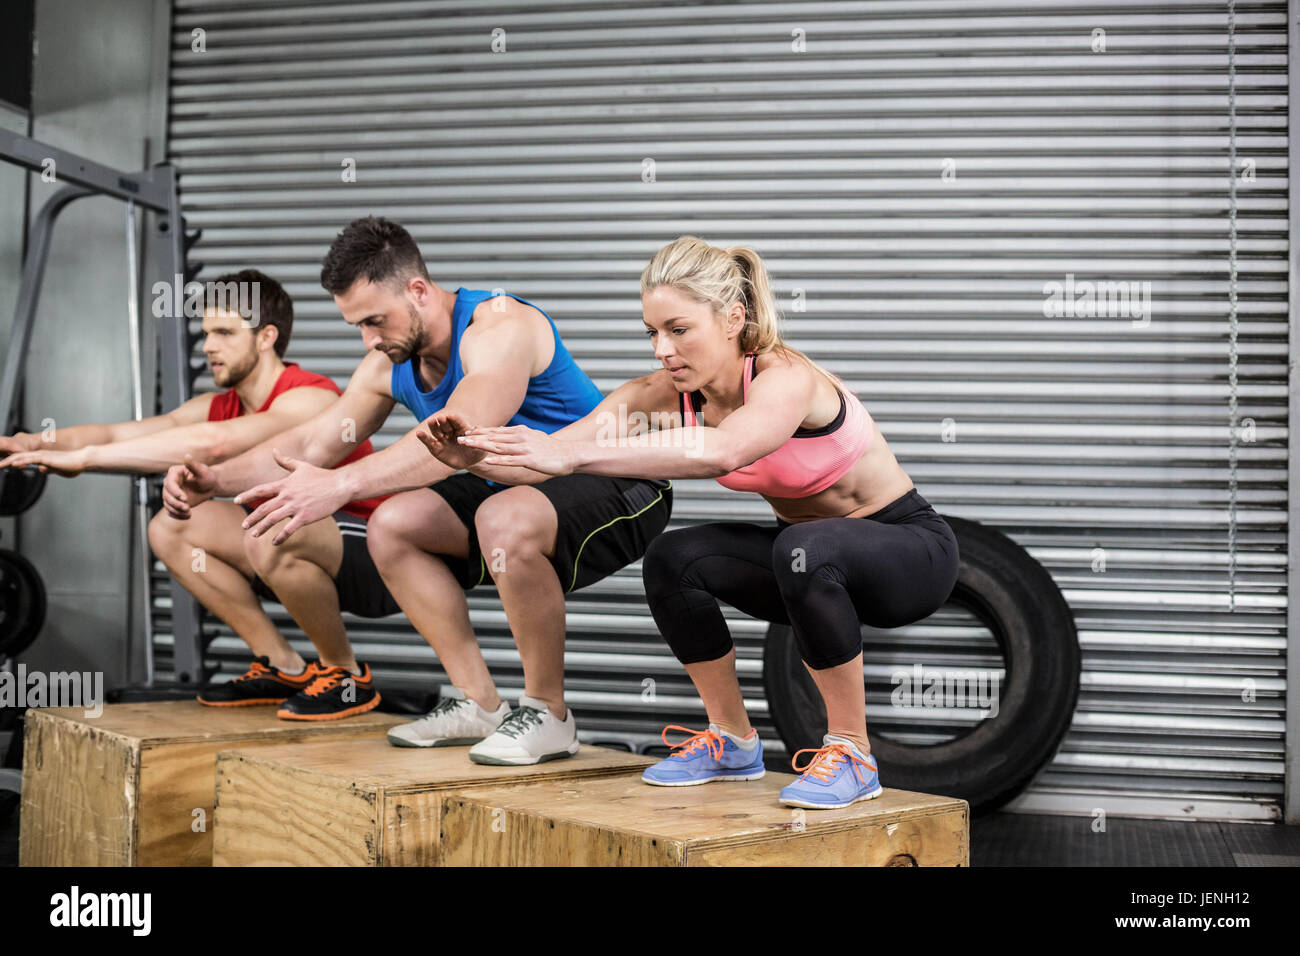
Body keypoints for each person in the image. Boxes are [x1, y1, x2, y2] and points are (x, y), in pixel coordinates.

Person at [420, 235, 959, 808]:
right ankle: (732, 741)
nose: (661, 349)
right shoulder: (662, 395)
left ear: (733, 318)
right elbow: (551, 458)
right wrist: (476, 459)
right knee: (675, 559)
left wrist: (567, 455)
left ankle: (852, 751)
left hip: (909, 555)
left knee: (803, 546)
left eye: (678, 329)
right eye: (651, 332)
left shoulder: (787, 378)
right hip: (810, 564)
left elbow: (725, 450)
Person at [163, 217, 672, 760]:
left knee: (503, 518)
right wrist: (215, 479)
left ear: (419, 291)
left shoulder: (499, 327)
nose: (370, 340)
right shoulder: (388, 362)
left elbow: (461, 427)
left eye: (376, 321)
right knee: (394, 524)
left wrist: (340, 486)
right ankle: (480, 703)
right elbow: (313, 445)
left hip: (613, 482)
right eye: (357, 326)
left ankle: (549, 714)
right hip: (512, 485)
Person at [0, 269, 398, 719]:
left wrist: (86, 459)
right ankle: (283, 665)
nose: (208, 346)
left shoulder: (310, 397)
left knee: (270, 529)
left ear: (266, 337)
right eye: (206, 333)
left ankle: (346, 676)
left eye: (225, 333)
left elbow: (216, 443)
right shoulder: (214, 405)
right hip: (286, 550)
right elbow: (117, 430)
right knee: (170, 528)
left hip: (372, 556)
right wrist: (36, 443)